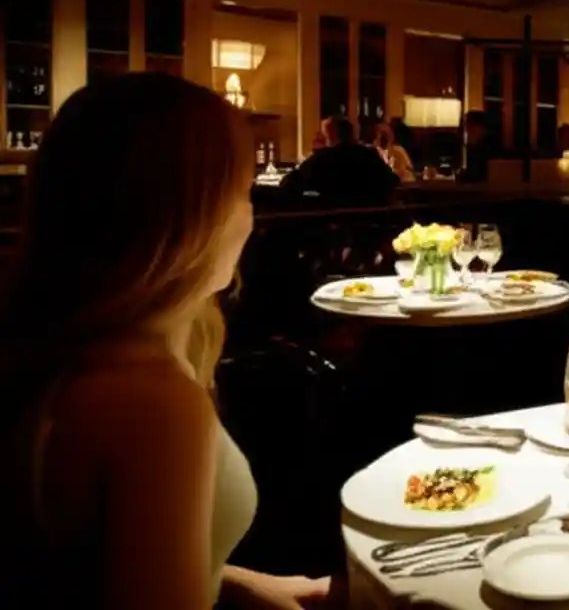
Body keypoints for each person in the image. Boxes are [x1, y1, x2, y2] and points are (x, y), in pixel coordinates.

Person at [0, 73, 329, 608]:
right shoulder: (150, 403)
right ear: (189, 219)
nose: (251, 216)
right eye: (243, 193)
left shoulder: (61, 356)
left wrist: (239, 584)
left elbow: (85, 569)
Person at [281, 115, 399, 207]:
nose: (319, 138)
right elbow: (392, 180)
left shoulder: (323, 159)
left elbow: (290, 182)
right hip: (373, 223)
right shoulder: (370, 155)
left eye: (323, 135)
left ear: (331, 136)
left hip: (334, 224)